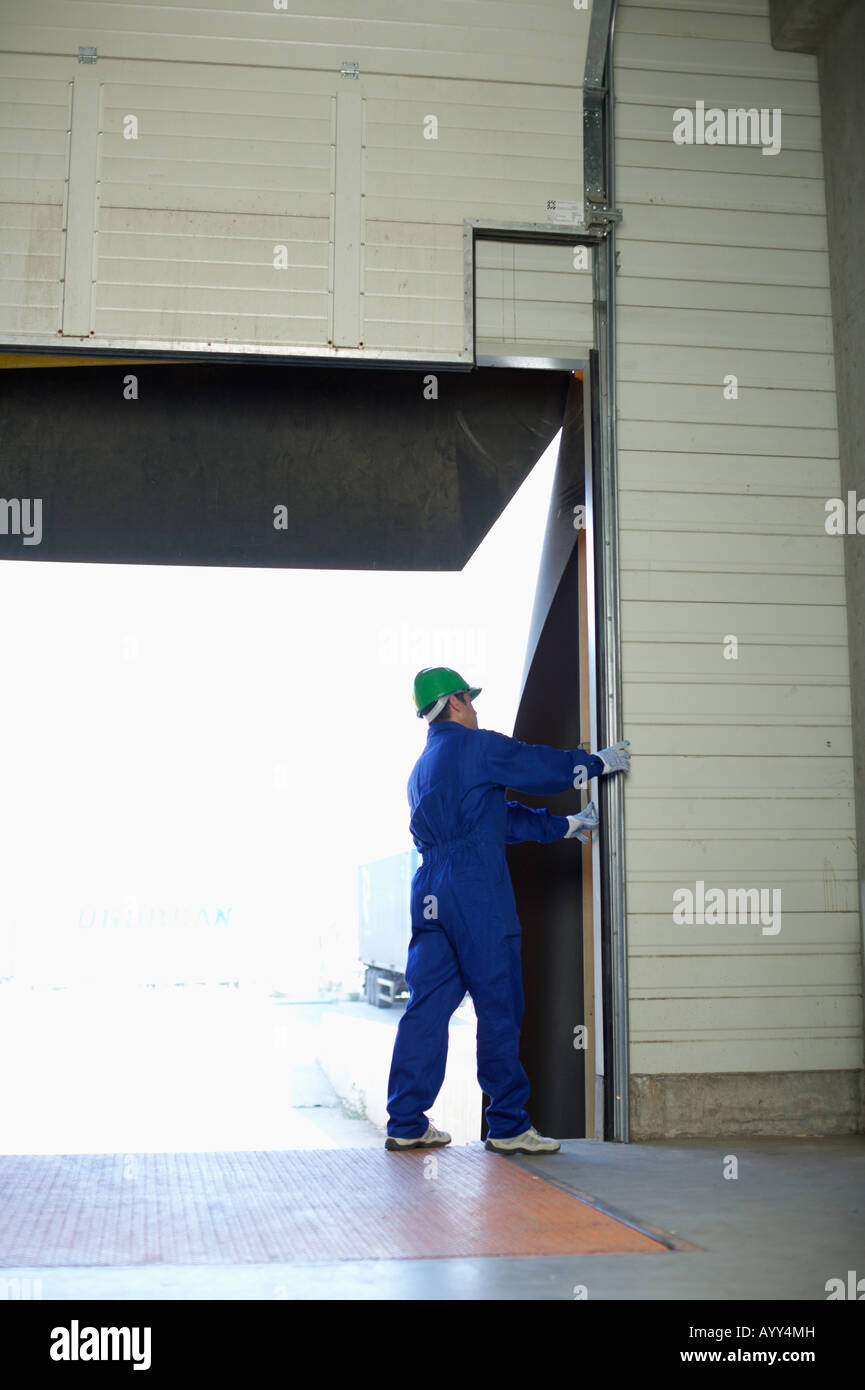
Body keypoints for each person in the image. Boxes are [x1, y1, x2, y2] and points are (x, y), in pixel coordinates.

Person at [385, 666, 630, 1156]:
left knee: (427, 1008)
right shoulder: (476, 748)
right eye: (470, 701)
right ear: (454, 702)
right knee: (498, 1003)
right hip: (475, 889)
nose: (475, 710)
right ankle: (508, 1125)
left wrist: (561, 827)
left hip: (430, 888)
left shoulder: (421, 769)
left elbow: (494, 820)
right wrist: (593, 764)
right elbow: (533, 765)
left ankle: (407, 1121)